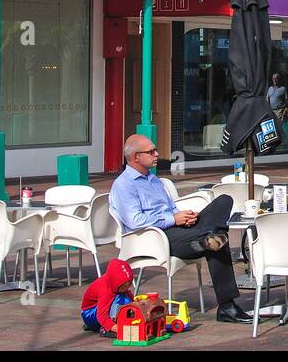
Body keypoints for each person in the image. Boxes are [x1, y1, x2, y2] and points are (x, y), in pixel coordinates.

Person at [108, 133, 252, 323]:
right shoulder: (124, 185)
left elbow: (171, 208)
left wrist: (186, 217)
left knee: (224, 200)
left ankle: (208, 235)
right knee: (216, 241)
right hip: (155, 237)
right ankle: (227, 306)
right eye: (151, 151)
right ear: (135, 157)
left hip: (178, 228)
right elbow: (136, 221)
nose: (157, 154)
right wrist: (173, 219)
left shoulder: (153, 179)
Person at [80, 258, 135, 336]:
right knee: (120, 300)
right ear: (115, 282)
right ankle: (106, 328)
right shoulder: (105, 291)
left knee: (125, 298)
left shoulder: (114, 284)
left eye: (128, 285)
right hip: (90, 314)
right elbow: (102, 315)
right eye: (123, 286)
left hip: (95, 313)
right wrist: (116, 328)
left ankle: (103, 324)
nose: (126, 288)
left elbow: (128, 295)